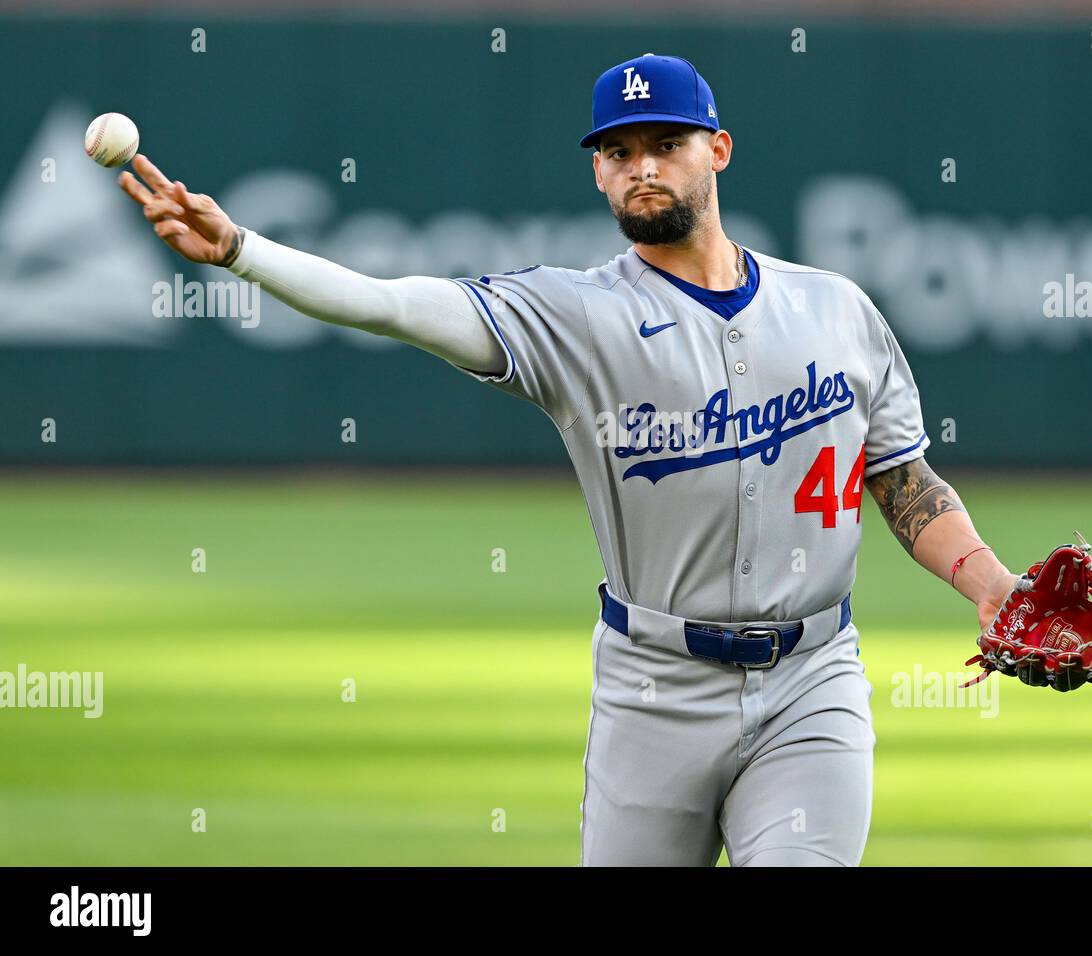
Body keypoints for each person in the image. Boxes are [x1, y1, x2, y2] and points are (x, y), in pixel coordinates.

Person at [117, 53, 1018, 867]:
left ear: (720, 150)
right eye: (619, 151)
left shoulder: (836, 310)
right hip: (653, 692)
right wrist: (242, 251)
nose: (643, 166)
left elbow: (902, 479)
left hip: (812, 682)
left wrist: (989, 584)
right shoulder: (572, 317)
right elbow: (390, 303)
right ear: (597, 170)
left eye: (666, 142)